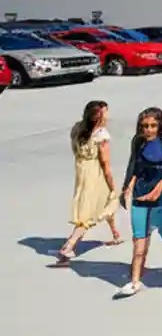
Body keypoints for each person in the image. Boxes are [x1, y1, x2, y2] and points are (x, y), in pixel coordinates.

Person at [117, 107, 162, 298]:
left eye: (153, 126)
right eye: (145, 126)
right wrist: (126, 188)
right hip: (141, 197)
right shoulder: (138, 142)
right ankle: (135, 281)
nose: (148, 130)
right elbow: (134, 166)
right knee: (139, 239)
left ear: (160, 126)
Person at [56, 100, 122, 264]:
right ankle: (68, 246)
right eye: (105, 113)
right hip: (95, 173)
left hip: (81, 169)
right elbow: (105, 163)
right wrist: (112, 184)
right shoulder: (101, 134)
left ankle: (115, 233)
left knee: (105, 200)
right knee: (90, 211)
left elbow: (75, 150)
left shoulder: (77, 129)